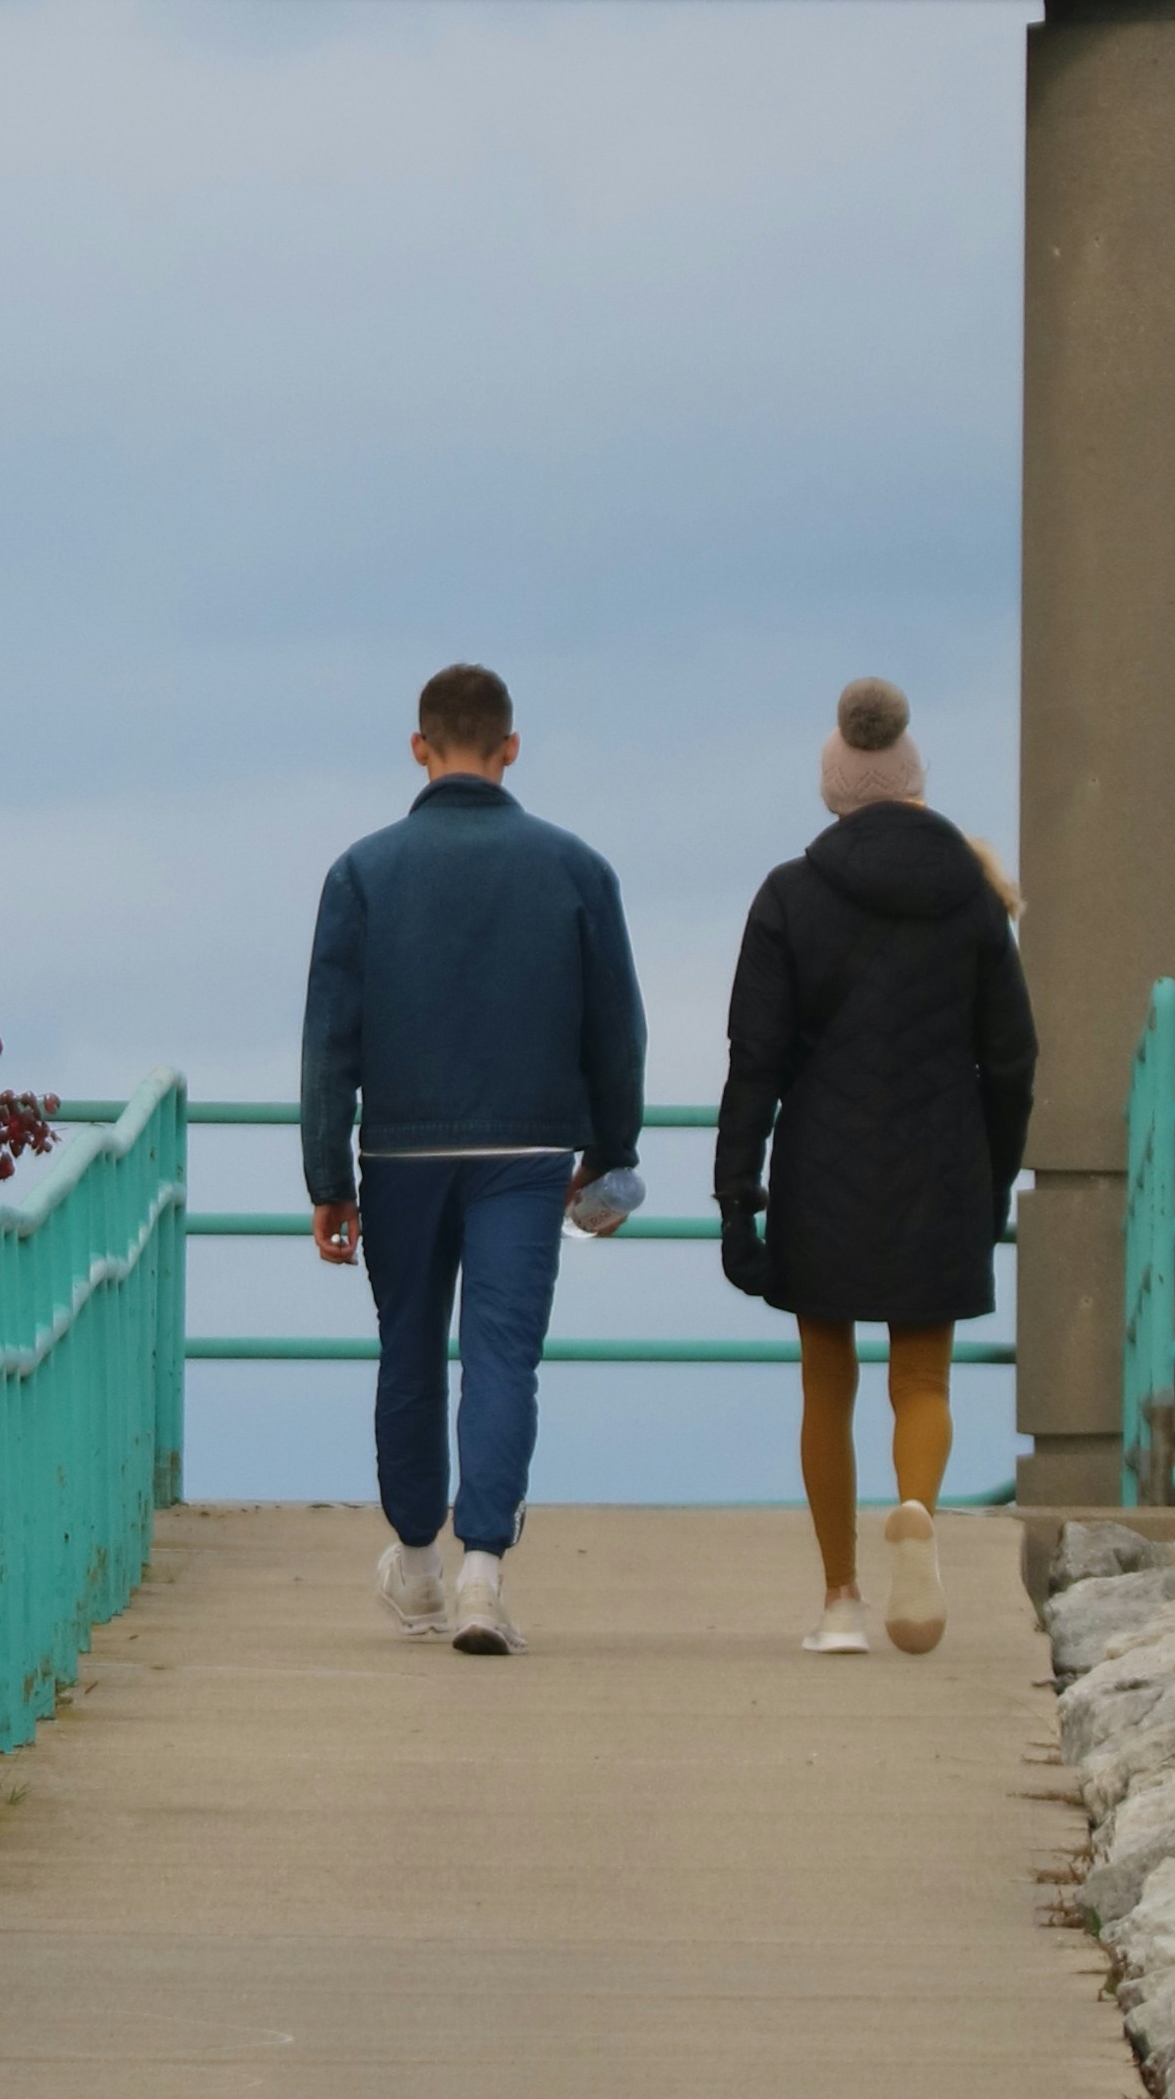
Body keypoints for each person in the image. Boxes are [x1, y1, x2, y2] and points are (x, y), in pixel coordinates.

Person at [300, 663, 646, 1659]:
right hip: (528, 1148)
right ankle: (483, 1577)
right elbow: (616, 1029)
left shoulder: (361, 872)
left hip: (401, 1146)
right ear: (510, 748)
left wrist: (328, 1176)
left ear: (418, 747)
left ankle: (414, 1564)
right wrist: (610, 1153)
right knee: (502, 1354)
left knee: (408, 1347)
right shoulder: (575, 868)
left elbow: (330, 1039)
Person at [715, 674, 1036, 1664]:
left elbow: (755, 1060)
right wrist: (991, 1183)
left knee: (826, 1384)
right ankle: (915, 1510)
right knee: (921, 1379)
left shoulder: (789, 895)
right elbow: (1013, 1059)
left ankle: (842, 1600)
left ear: (835, 790)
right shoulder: (974, 902)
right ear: (911, 782)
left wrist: (738, 1198)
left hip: (822, 1168)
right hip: (941, 1165)